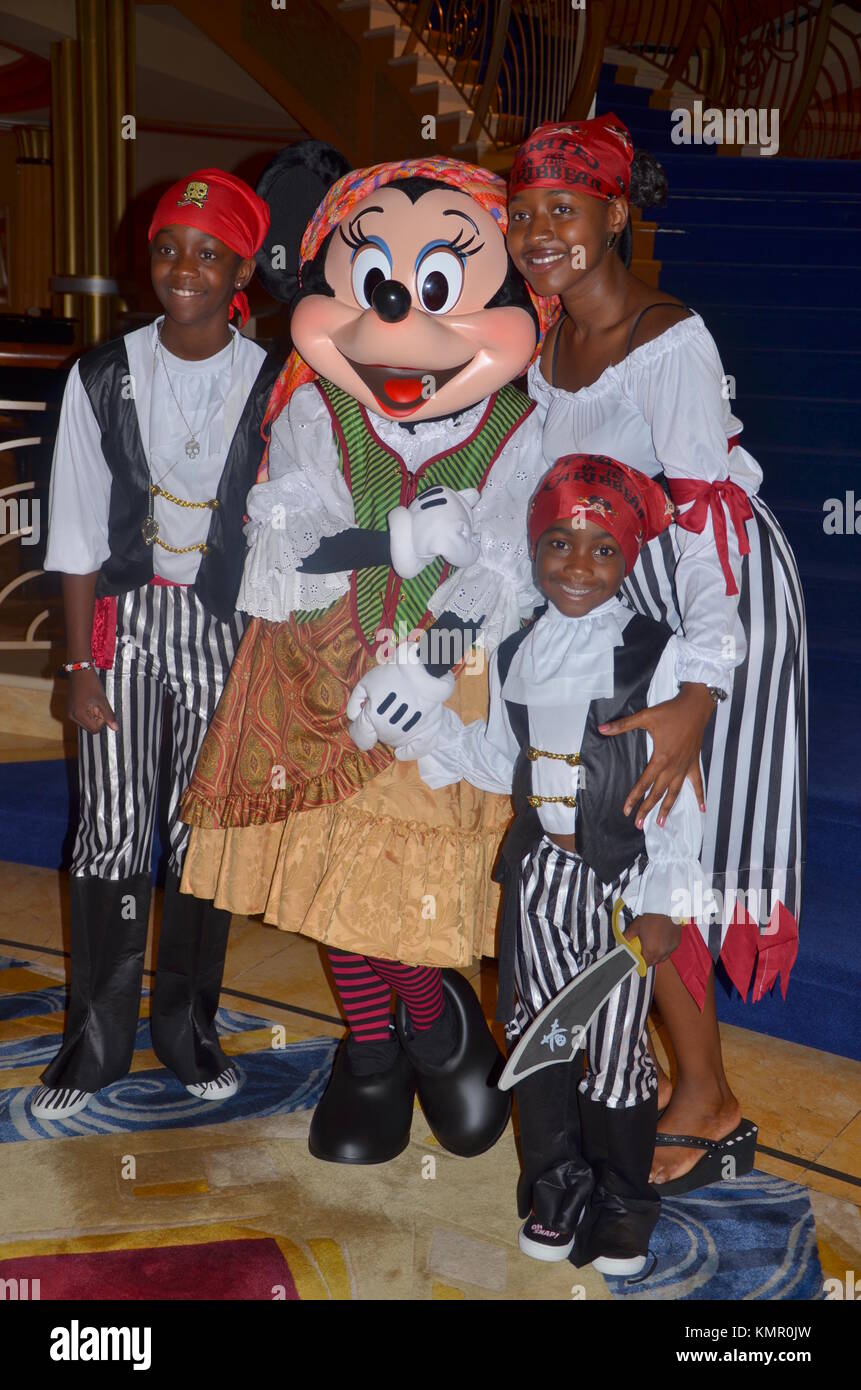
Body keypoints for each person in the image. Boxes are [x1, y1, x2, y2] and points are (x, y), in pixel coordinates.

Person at [179, 143, 555, 1164]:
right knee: (329, 878)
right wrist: (390, 540)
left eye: (438, 287)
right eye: (375, 285)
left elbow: (511, 570)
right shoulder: (316, 408)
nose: (398, 320)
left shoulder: (526, 426)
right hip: (315, 663)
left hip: (449, 682)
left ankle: (431, 1034)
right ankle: (384, 1054)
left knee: (409, 892)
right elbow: (285, 535)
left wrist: (427, 667)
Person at [505, 115, 806, 1192]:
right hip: (619, 594)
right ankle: (653, 1066)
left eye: (563, 211)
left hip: (708, 608)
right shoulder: (549, 337)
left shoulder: (670, 342)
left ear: (615, 214)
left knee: (653, 841)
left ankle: (709, 1097)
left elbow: (703, 528)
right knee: (606, 835)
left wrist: (697, 694)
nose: (540, 232)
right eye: (526, 212)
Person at [407, 454, 736, 1273]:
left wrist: (665, 895)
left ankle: (624, 1200)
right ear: (533, 549)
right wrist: (415, 729)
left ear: (627, 558)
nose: (577, 567)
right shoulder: (516, 649)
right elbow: (494, 760)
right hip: (539, 877)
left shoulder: (653, 655)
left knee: (616, 1045)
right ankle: (555, 1187)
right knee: (537, 1033)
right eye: (558, 544)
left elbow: (679, 792)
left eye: (601, 550)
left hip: (621, 875)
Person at [34, 168, 279, 1120]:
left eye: (208, 252)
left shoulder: (275, 379)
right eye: (171, 249)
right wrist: (81, 665)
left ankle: (186, 1028)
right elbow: (76, 531)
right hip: (124, 624)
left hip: (226, 627)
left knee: (199, 835)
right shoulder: (100, 373)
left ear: (240, 266)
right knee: (109, 831)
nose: (185, 268)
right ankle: (94, 1040)